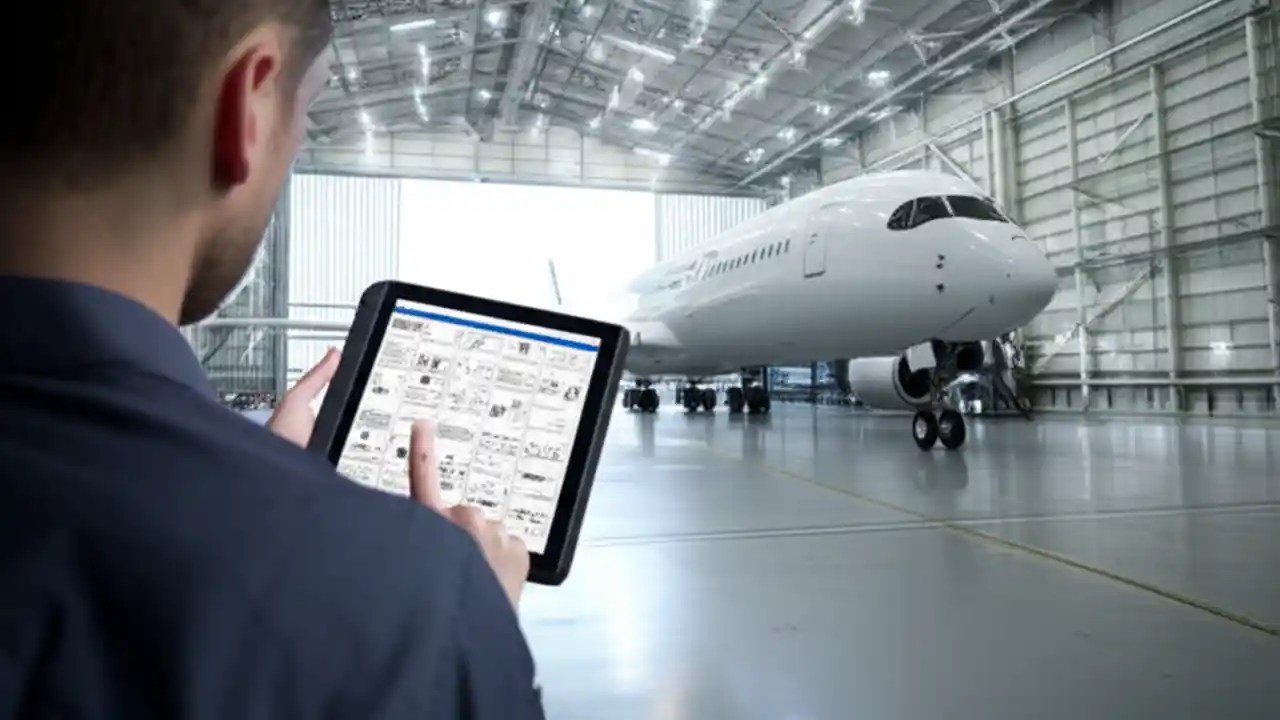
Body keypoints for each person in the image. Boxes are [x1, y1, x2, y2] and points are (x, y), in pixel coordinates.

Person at [0, 2, 544, 717]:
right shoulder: (410, 602)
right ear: (246, 108)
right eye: (305, 113)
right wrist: (465, 632)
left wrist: (248, 468)